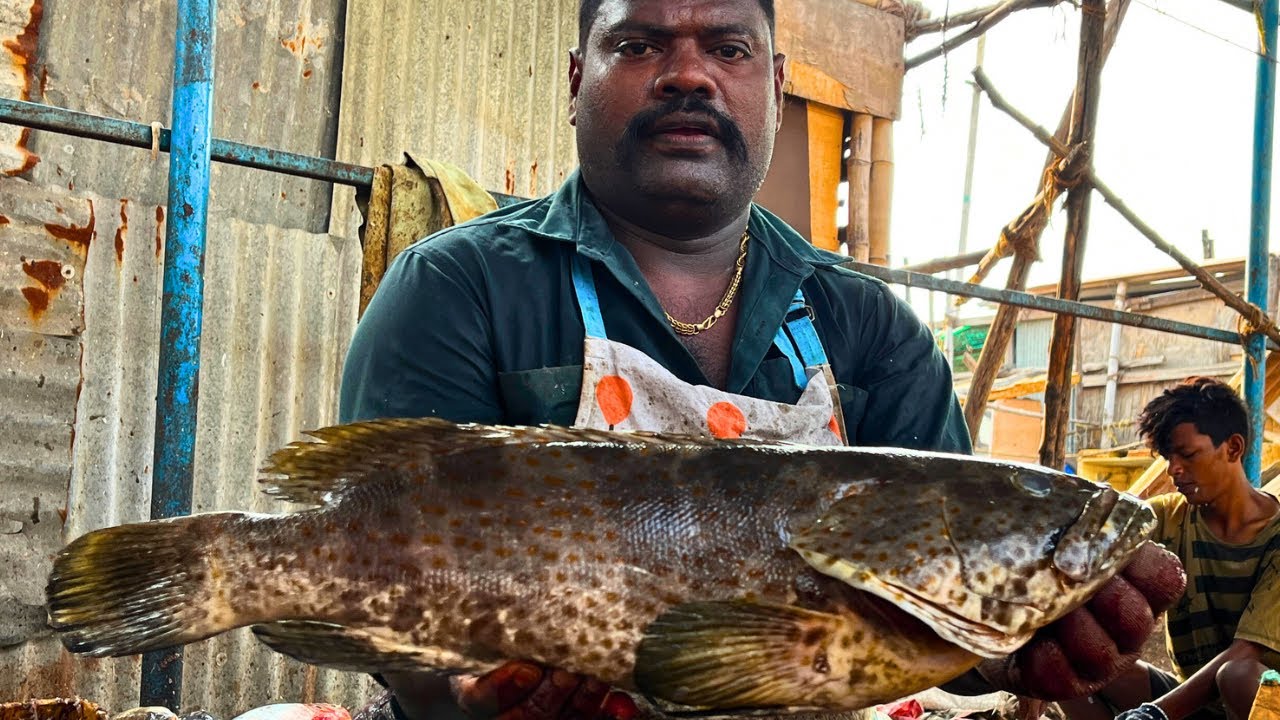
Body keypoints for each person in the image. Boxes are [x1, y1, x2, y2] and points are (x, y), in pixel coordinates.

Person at [339, 0, 1186, 718]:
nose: (687, 75)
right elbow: (365, 565)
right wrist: (458, 690)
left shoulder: (874, 331)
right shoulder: (456, 287)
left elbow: (942, 627)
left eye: (728, 47)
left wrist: (1024, 641)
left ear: (775, 86)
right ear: (575, 81)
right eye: (638, 45)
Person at [1062, 378, 1280, 720]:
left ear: (1233, 448)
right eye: (1168, 457)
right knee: (1071, 663)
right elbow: (1095, 538)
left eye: (1188, 454)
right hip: (1196, 700)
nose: (1173, 469)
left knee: (1238, 676)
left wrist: (1155, 714)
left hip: (1263, 699)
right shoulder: (1167, 516)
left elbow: (1247, 651)